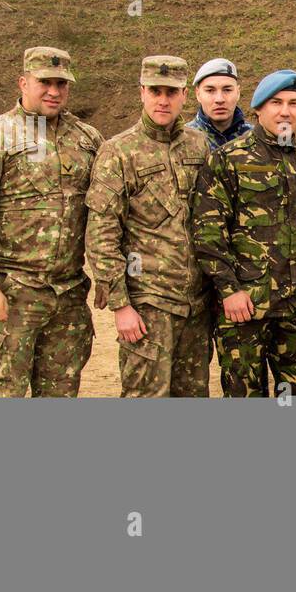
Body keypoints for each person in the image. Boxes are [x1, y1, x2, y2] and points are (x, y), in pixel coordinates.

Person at [0, 46, 104, 397]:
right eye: (44, 82)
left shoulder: (87, 139)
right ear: (23, 82)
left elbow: (103, 212)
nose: (54, 91)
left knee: (61, 395)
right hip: (12, 293)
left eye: (61, 84)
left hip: (67, 295)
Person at [190, 69, 296, 397]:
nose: (285, 111)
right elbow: (208, 232)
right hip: (244, 309)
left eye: (294, 103)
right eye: (276, 103)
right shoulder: (228, 160)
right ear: (258, 109)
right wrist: (229, 290)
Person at [85, 56, 213, 397]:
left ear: (185, 94)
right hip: (147, 305)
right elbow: (101, 232)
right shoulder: (118, 151)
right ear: (142, 92)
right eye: (155, 90)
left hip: (196, 306)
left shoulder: (199, 145)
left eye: (171, 92)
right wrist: (121, 305)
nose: (163, 100)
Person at [187, 58, 251, 150]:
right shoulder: (182, 140)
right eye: (210, 90)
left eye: (227, 90)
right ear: (198, 94)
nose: (219, 99)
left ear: (238, 93)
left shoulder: (256, 139)